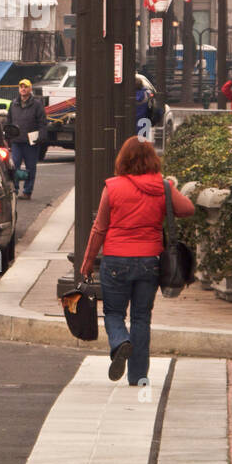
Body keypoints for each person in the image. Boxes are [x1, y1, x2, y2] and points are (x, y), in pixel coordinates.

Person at [80, 136, 195, 385]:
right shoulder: (163, 187)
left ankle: (121, 341)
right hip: (150, 261)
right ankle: (138, 375)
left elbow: (99, 228)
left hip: (115, 261)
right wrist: (171, 187)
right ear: (153, 159)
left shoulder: (112, 187)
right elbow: (187, 209)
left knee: (113, 313)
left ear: (123, 159)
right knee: (142, 318)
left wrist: (88, 261)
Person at [7, 79, 47, 200]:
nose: (23, 89)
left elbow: (42, 123)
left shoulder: (37, 105)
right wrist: (8, 138)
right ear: (19, 89)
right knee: (14, 167)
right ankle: (15, 189)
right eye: (21, 87)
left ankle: (27, 191)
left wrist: (41, 137)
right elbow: (9, 122)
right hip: (17, 142)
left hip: (31, 143)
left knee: (31, 168)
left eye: (26, 87)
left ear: (30, 89)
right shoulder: (13, 104)